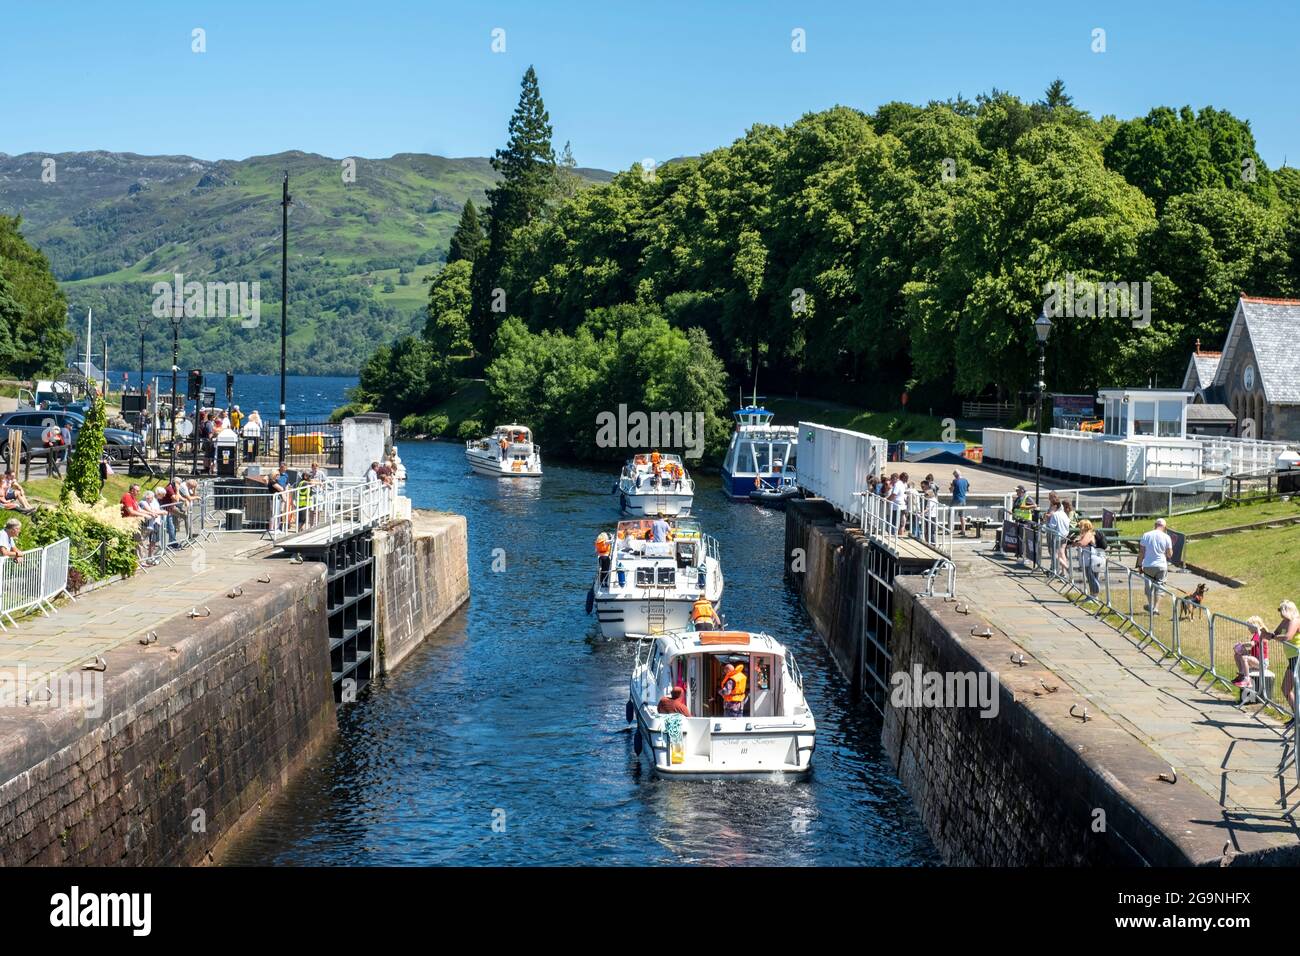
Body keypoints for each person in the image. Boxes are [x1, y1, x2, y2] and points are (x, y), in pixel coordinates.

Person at [1138, 518, 1174, 614]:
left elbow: (1141, 552)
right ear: (1164, 527)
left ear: (1155, 525)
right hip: (1161, 565)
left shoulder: (1146, 535)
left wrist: (1139, 565)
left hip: (1148, 565)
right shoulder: (1167, 537)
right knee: (1160, 586)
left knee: (1148, 586)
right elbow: (1170, 554)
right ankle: (1156, 608)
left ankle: (1150, 605)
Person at [121, 483, 160, 563]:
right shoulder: (127, 497)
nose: (138, 493)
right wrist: (145, 515)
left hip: (134, 524)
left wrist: (149, 513)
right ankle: (139, 562)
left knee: (139, 543)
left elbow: (139, 510)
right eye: (137, 491)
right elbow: (131, 512)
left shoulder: (133, 498)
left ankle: (139, 562)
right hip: (128, 523)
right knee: (138, 543)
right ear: (132, 490)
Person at [1273, 600, 1300, 715]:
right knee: (1286, 689)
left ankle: (1297, 718)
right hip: (1292, 659)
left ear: (1288, 610)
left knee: (1290, 689)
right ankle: (1297, 716)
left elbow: (1287, 637)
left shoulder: (1295, 620)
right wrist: (1267, 634)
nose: (1280, 613)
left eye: (1281, 610)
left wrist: (1273, 637)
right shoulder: (1285, 621)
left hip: (1298, 657)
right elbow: (1275, 633)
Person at [1232, 616, 1272, 690]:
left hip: (1262, 663)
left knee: (1244, 658)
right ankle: (1241, 674)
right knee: (1237, 655)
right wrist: (1242, 651)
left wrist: (1242, 644)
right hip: (1256, 660)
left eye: (1249, 627)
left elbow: (1252, 644)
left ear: (1255, 626)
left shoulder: (1259, 634)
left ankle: (1247, 680)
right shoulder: (1256, 634)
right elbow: (1255, 649)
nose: (1248, 629)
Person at [1074, 519, 1102, 597]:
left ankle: (1095, 596)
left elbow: (1083, 543)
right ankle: (1092, 595)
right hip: (1088, 560)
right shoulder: (1085, 534)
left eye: (1080, 526)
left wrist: (1075, 543)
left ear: (1085, 527)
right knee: (1090, 578)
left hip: (1092, 560)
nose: (1079, 527)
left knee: (1092, 578)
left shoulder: (1089, 534)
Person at [1047, 500, 1070, 575]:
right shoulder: (1064, 514)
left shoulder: (1055, 514)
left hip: (1058, 536)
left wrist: (1045, 524)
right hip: (1065, 535)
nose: (1050, 507)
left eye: (1052, 506)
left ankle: (1066, 567)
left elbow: (1052, 526)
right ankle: (1063, 573)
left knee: (1055, 554)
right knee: (1062, 553)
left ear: (1055, 506)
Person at [949, 469, 969, 535]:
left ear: (955, 475)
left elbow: (951, 490)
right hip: (963, 499)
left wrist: (951, 486)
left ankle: (950, 530)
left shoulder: (955, 481)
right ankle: (963, 531)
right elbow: (967, 490)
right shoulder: (966, 480)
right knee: (962, 516)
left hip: (956, 499)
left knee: (951, 514)